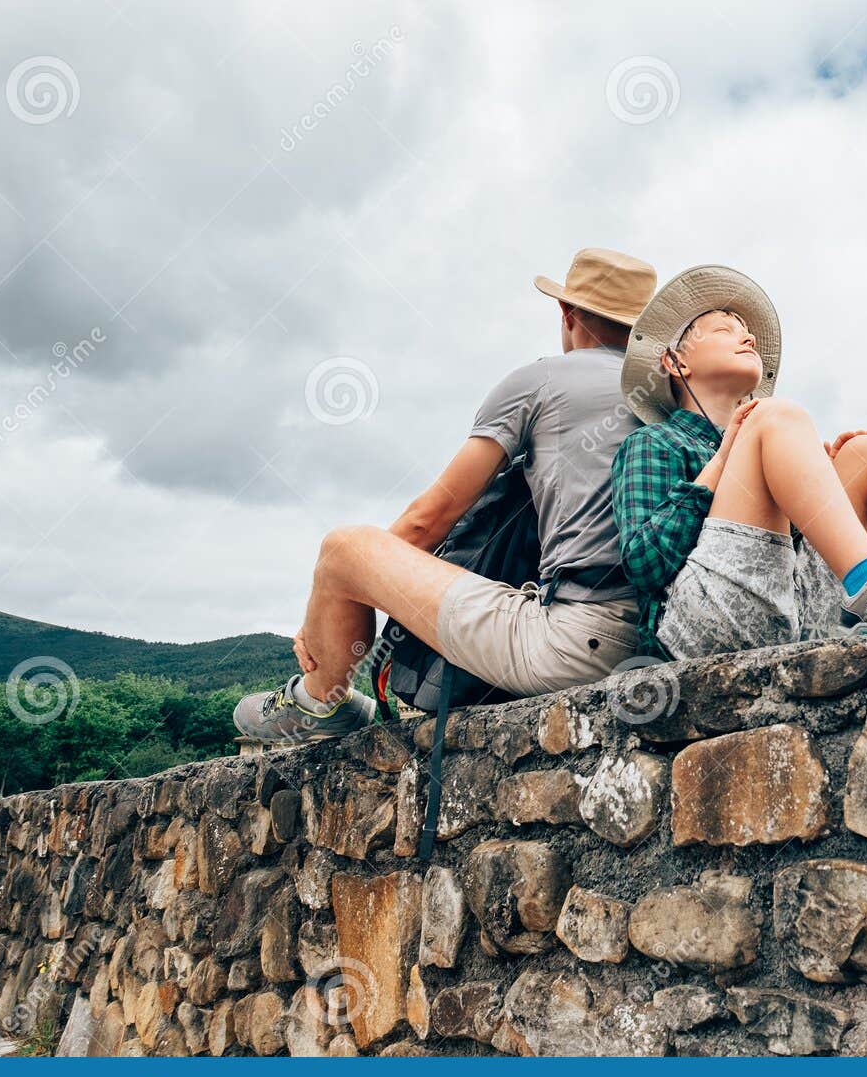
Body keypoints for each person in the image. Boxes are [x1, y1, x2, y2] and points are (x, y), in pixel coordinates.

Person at [234, 248, 657, 741]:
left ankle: (320, 702)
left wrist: (323, 612)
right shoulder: (672, 389)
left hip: (579, 642)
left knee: (342, 551)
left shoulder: (541, 380)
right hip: (653, 638)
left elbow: (428, 520)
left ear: (566, 312)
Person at [611, 265, 867, 663]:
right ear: (675, 362)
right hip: (699, 624)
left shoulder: (769, 435)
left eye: (747, 333)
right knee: (775, 415)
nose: (748, 338)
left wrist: (812, 489)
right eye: (724, 330)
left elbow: (774, 554)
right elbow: (644, 564)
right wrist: (724, 459)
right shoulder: (655, 442)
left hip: (797, 609)